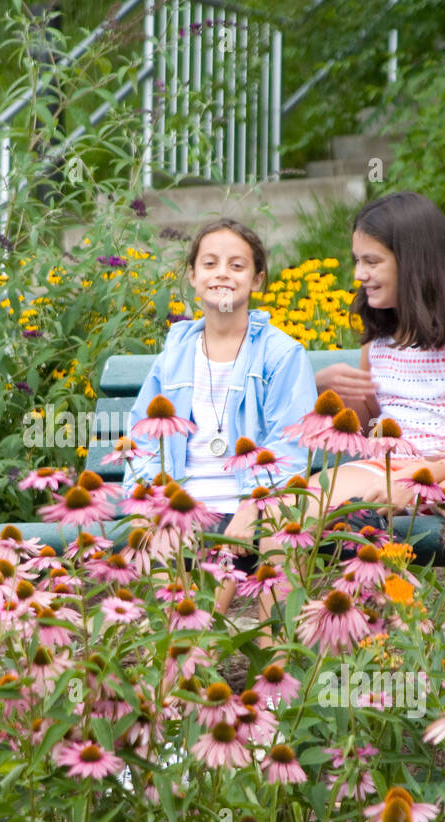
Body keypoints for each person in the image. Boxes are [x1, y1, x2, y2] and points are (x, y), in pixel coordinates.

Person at [122, 218, 319, 619]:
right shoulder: (173, 358)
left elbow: (292, 444)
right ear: (193, 277)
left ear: (258, 279)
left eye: (237, 265)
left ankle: (268, 654)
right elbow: (141, 436)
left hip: (250, 507)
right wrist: (151, 498)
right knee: (163, 557)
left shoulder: (282, 355)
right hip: (181, 507)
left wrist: (253, 505)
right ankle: (180, 650)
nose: (222, 274)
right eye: (210, 264)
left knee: (273, 537)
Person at [301, 191, 445, 530]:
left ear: (413, 261)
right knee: (298, 508)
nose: (359, 274)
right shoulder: (379, 332)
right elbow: (369, 421)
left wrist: (418, 478)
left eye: (372, 262)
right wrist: (335, 391)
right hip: (390, 466)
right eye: (357, 260)